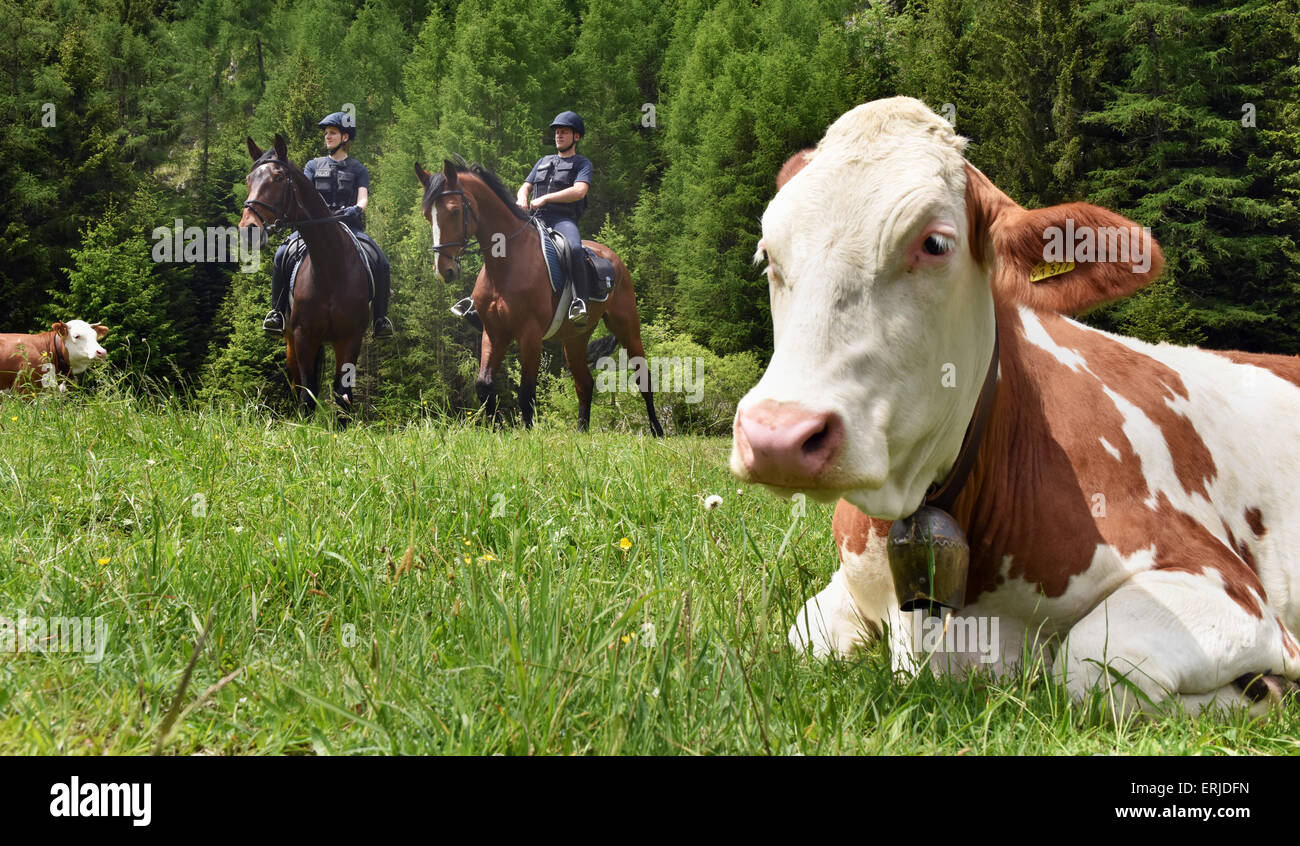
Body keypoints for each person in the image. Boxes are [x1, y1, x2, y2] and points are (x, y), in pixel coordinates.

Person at [263, 112, 394, 338]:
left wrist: (356, 208)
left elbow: (363, 198)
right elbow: (304, 195)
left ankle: (381, 319)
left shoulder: (358, 168)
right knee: (281, 253)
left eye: (332, 133)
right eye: (326, 133)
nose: (327, 137)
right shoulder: (313, 166)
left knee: (380, 259)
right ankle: (277, 312)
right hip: (314, 228)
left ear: (345, 137)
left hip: (349, 227)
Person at [519, 110, 593, 325]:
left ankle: (580, 301)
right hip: (533, 218)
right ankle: (476, 300)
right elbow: (525, 186)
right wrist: (522, 198)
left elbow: (579, 191)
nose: (558, 135)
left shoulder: (582, 164)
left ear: (576, 137)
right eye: (557, 132)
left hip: (561, 220)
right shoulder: (543, 161)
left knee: (575, 248)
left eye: (564, 132)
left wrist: (546, 198)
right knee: (501, 240)